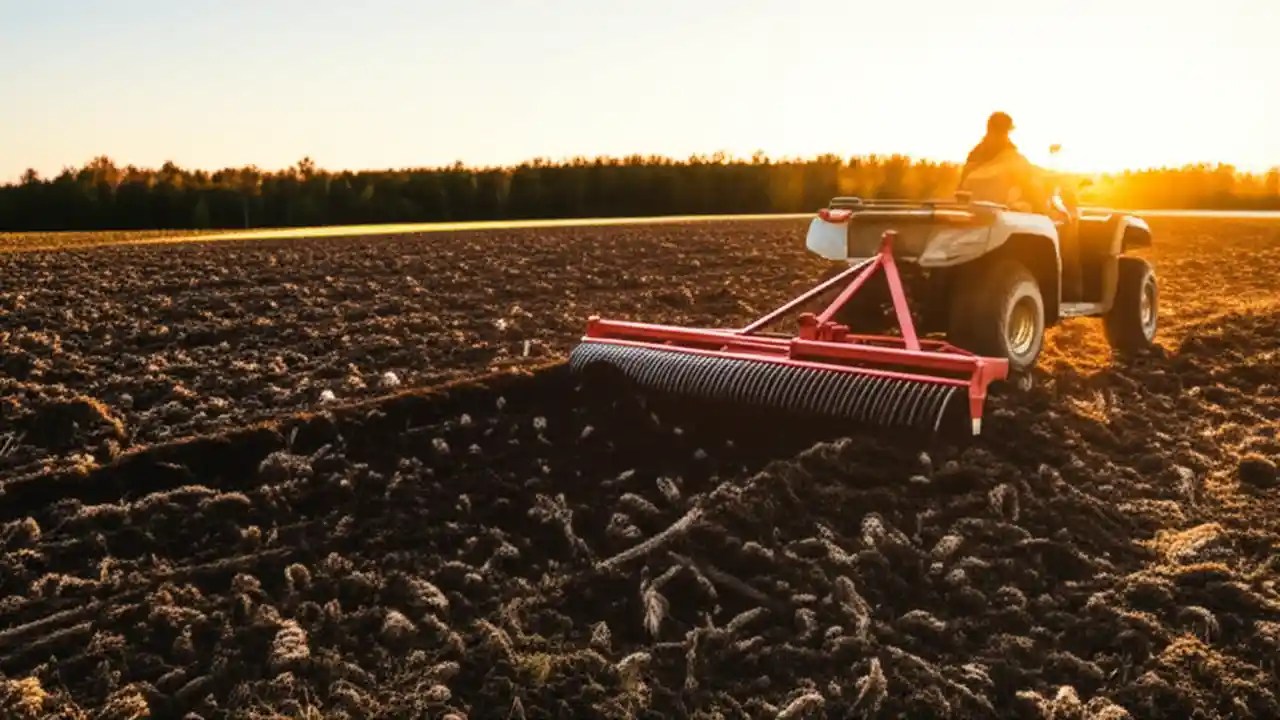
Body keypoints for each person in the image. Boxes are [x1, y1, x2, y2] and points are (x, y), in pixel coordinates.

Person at [959, 112, 1082, 299]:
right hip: (1004, 214)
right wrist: (1047, 211)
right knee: (1067, 223)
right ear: (1007, 131)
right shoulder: (1012, 158)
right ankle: (1069, 288)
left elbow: (961, 188)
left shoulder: (974, 157)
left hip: (972, 213)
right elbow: (1032, 188)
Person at [958, 112, 1048, 212]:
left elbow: (1034, 194)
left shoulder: (1014, 159)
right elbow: (961, 193)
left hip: (999, 220)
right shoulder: (975, 158)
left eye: (1003, 132)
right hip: (978, 220)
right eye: (1000, 132)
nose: (1002, 136)